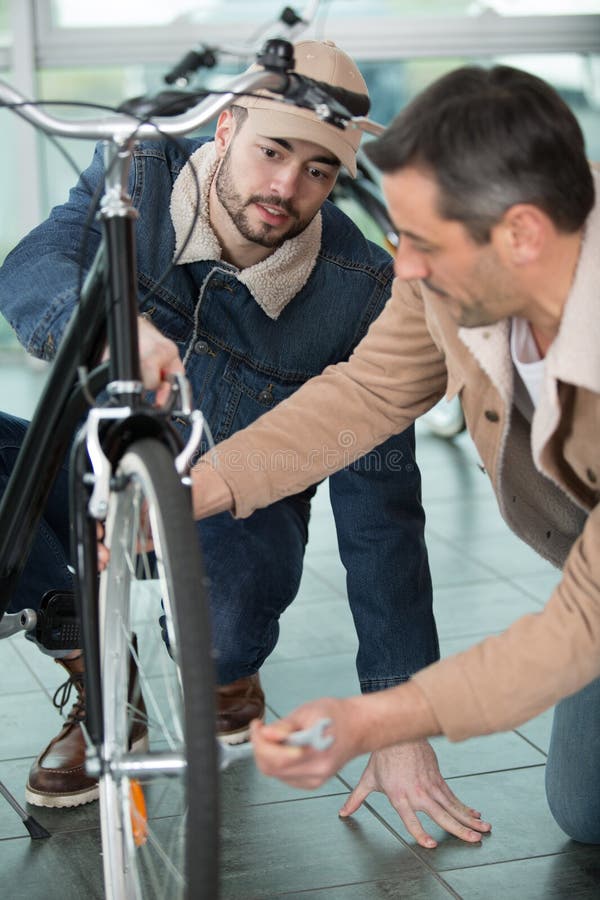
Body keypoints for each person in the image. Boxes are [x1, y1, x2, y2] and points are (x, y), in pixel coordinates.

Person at [0, 41, 489, 845]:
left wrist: (401, 716)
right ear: (225, 128)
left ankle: (227, 674)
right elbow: (35, 264)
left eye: (319, 171)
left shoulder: (360, 287)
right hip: (91, 477)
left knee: (219, 633)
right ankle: (99, 676)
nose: (286, 189)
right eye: (272, 151)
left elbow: (383, 524)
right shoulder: (143, 175)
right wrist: (111, 334)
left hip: (232, 510)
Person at [181, 63, 600, 844]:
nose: (401, 267)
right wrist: (190, 493)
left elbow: (583, 621)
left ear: (522, 235)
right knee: (588, 812)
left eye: (423, 244)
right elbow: (368, 394)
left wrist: (378, 717)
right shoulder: (448, 258)